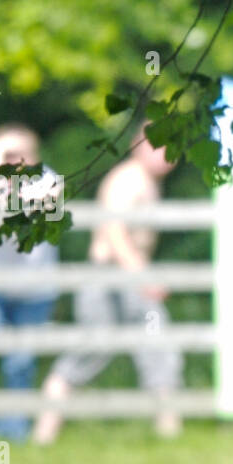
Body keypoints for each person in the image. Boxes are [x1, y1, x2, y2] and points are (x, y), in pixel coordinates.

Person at [33, 123, 181, 444]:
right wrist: (142, 276)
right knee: (90, 351)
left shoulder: (145, 182)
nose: (167, 154)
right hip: (110, 279)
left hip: (123, 280)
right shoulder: (129, 179)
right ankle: (43, 434)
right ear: (137, 146)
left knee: (158, 347)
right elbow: (114, 232)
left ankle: (170, 431)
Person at [0, 124, 62, 441]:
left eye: (18, 154)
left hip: (35, 293)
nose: (12, 161)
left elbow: (21, 208)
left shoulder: (50, 181)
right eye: (6, 154)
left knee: (19, 362)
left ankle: (14, 432)